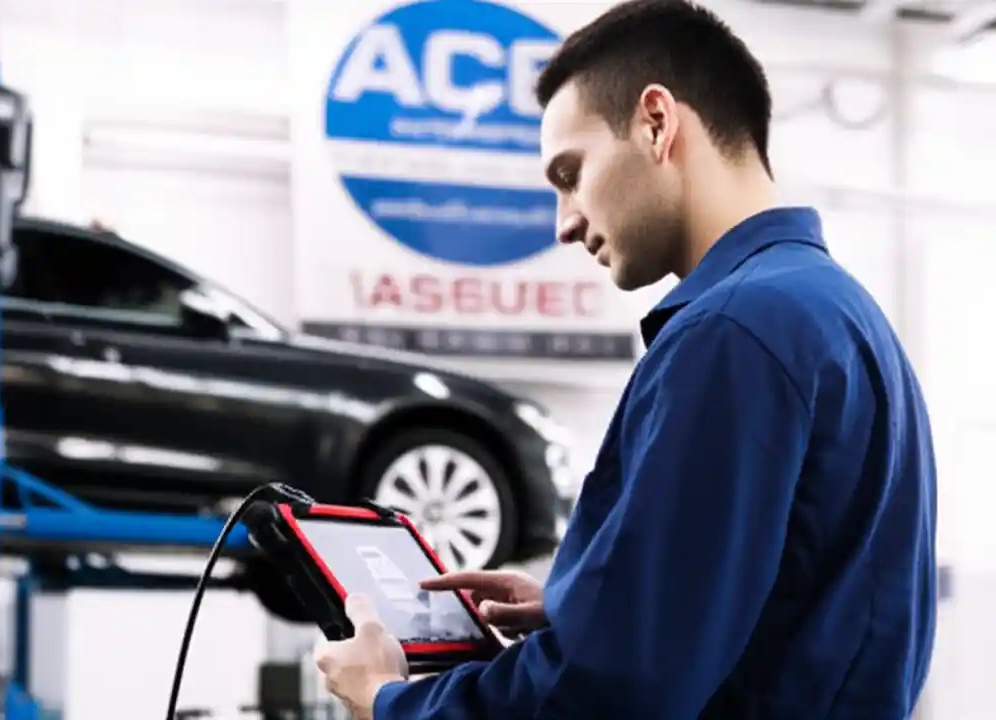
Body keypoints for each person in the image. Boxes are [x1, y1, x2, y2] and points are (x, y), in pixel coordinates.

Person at [313, 0, 938, 718]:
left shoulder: (734, 331)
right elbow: (798, 598)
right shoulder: (836, 314)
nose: (565, 222)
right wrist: (584, 603)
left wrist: (387, 701)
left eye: (570, 174)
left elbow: (612, 695)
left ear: (656, 122)